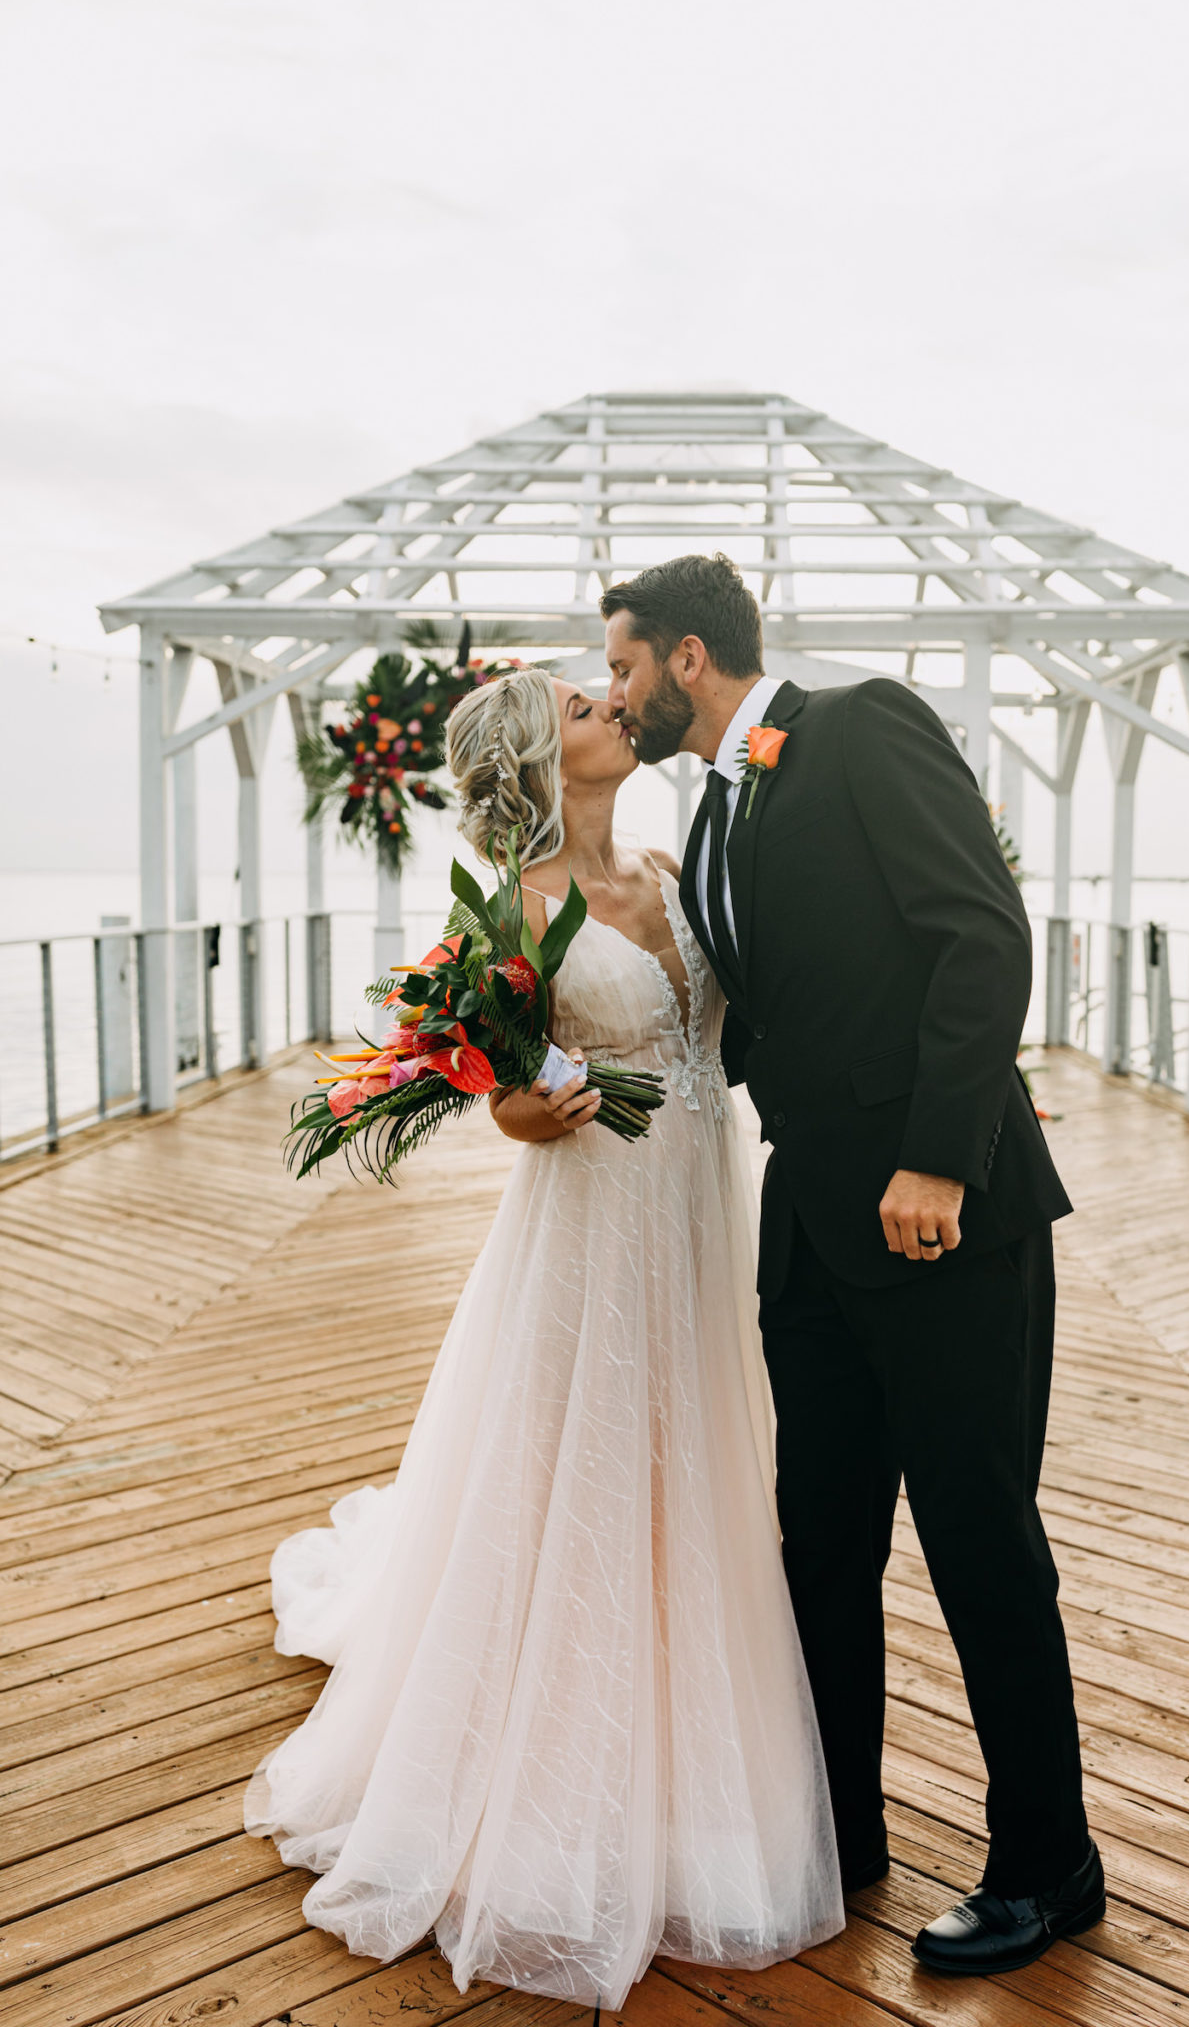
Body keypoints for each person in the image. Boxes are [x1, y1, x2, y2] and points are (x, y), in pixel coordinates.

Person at [245, 666, 843, 2013]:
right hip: (595, 1217)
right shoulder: (512, 907)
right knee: (577, 1448)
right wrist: (524, 1107)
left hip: (701, 1200)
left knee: (692, 1441)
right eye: (582, 706)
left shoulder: (670, 857)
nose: (613, 708)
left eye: (604, 693)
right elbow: (499, 1085)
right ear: (535, 757)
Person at [602, 552, 1105, 1977]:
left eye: (625, 664)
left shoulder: (860, 726)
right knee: (819, 1543)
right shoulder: (709, 808)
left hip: (941, 1218)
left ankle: (1045, 1862)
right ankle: (840, 1828)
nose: (619, 690)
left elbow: (978, 934)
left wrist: (938, 1156)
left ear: (689, 657)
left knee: (978, 1542)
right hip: (810, 1234)